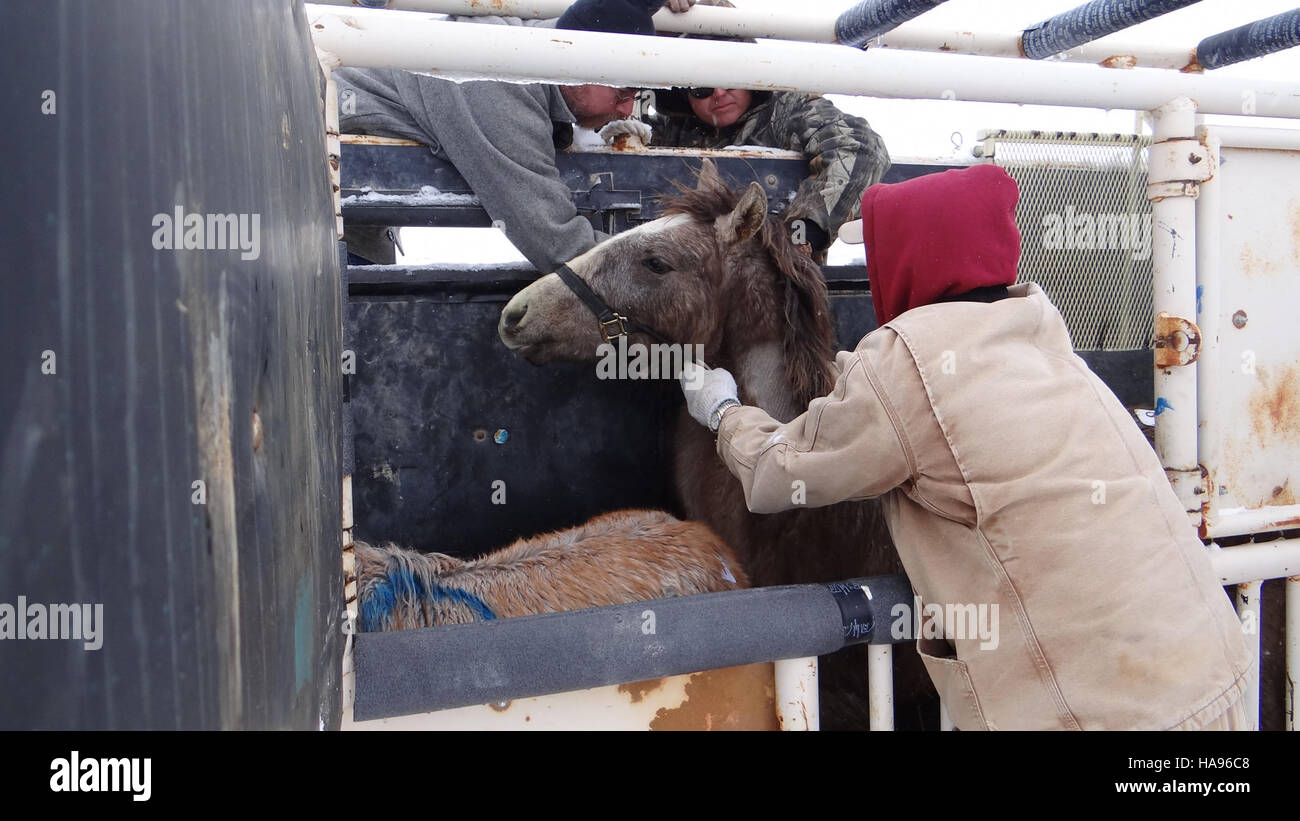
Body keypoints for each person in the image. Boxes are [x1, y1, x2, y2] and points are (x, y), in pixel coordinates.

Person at [679, 164, 1252, 730]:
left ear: (909, 259)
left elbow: (778, 472)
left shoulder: (908, 364)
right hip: (1213, 680)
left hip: (1102, 714)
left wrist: (722, 409)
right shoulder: (1046, 345)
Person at [336, 0, 692, 268]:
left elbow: (595, 16)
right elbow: (554, 242)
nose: (627, 110)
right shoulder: (496, 79)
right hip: (305, 181)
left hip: (357, 209)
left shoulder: (549, 45)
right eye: (622, 93)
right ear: (582, 66)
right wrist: (668, 269)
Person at [647, 2, 889, 259]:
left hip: (771, 281)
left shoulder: (788, 111)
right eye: (701, 88)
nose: (718, 93)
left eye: (728, 78)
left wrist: (801, 233)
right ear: (684, 95)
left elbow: (861, 148)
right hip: (679, 278)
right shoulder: (667, 129)